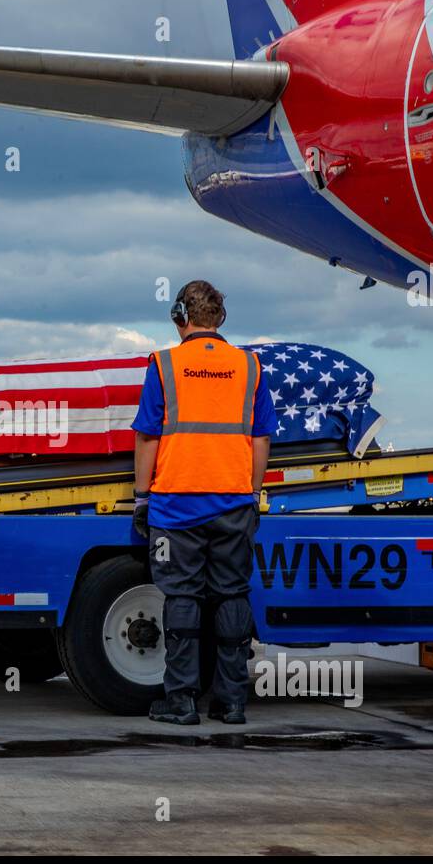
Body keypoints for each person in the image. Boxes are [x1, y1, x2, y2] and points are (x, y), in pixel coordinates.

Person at [131, 281, 277, 725]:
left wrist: (142, 497)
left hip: (176, 505)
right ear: (221, 318)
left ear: (180, 315)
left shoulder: (164, 364)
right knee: (232, 596)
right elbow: (261, 437)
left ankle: (182, 701)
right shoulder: (249, 366)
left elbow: (147, 436)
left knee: (181, 599)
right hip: (233, 501)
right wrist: (250, 492)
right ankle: (231, 703)